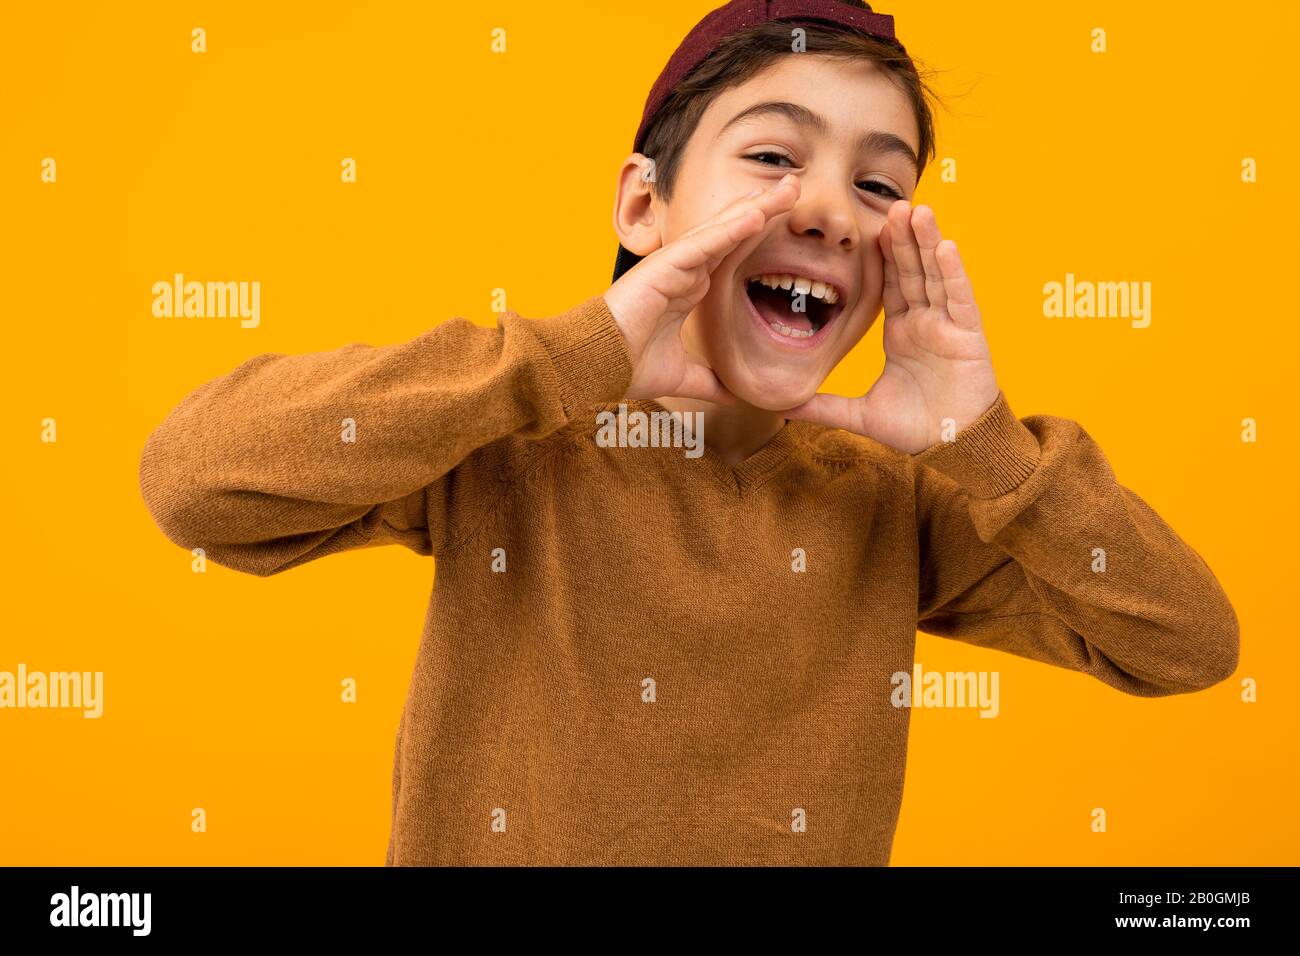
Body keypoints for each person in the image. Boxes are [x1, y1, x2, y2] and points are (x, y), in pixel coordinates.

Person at [138, 0, 1239, 865]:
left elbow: (1186, 643)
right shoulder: (512, 436)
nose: (829, 209)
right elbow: (195, 480)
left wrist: (982, 441)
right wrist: (569, 355)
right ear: (641, 207)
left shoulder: (892, 502)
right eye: (772, 157)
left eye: (877, 184)